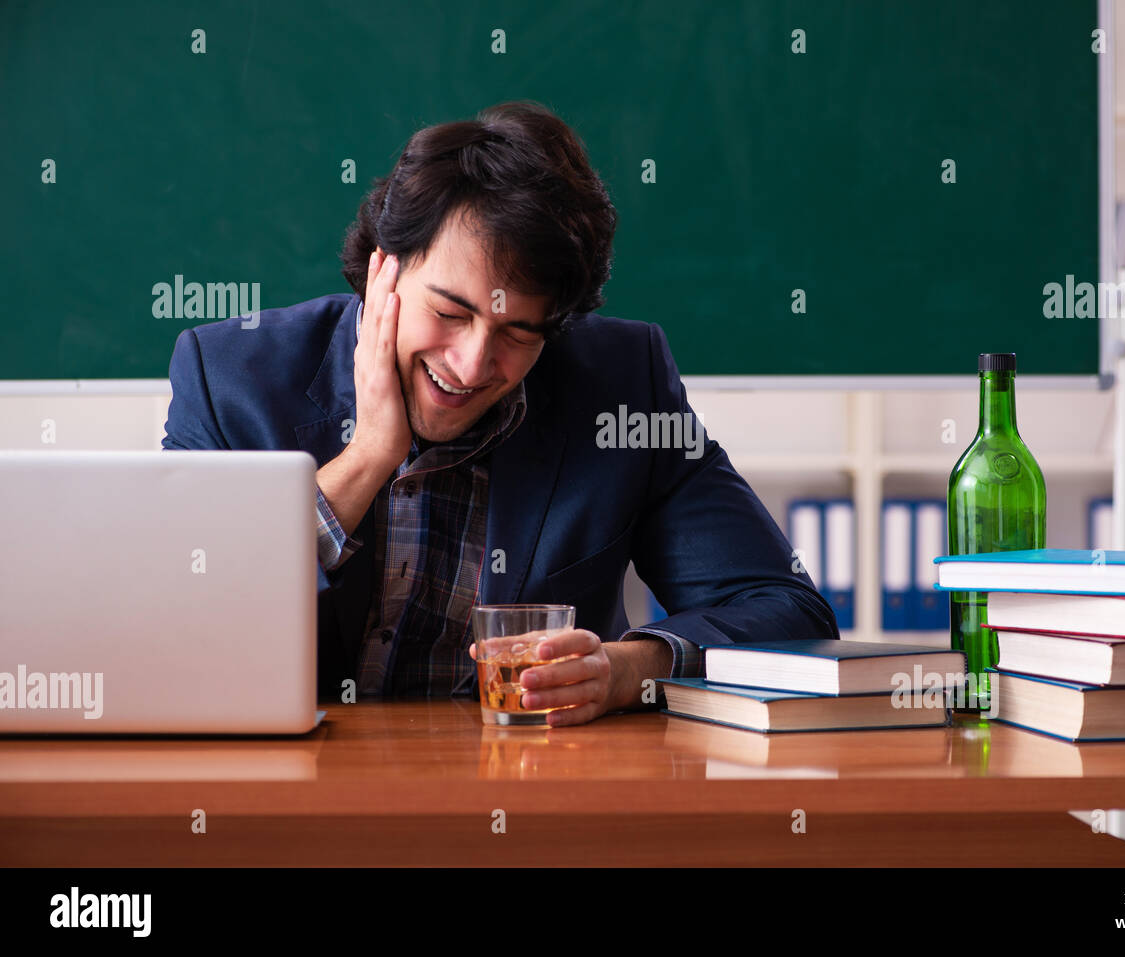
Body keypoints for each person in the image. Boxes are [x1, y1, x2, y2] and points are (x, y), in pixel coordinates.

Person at [162, 100, 837, 725]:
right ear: (383, 272)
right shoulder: (229, 379)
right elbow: (175, 619)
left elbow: (789, 611)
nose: (472, 364)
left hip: (535, 806)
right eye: (449, 312)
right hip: (294, 815)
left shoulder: (625, 386)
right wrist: (368, 454)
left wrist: (631, 669)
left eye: (518, 332)